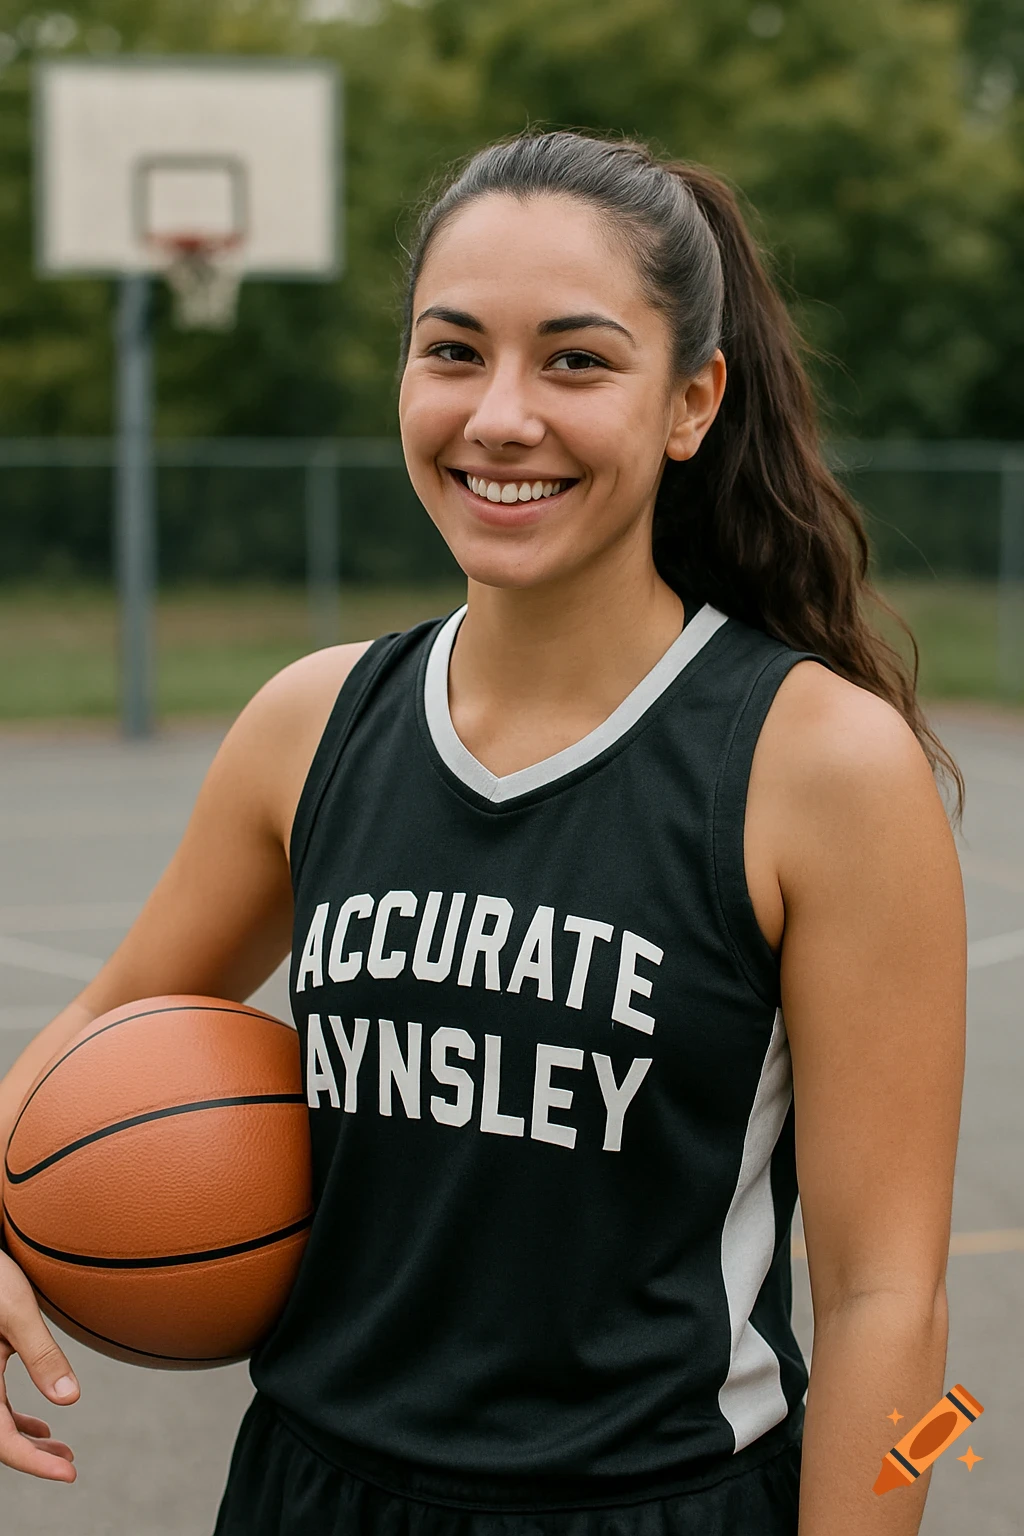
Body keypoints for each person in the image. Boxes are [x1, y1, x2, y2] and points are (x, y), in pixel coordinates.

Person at [0, 131, 966, 1536]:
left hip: (654, 1505)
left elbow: (895, 1298)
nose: (500, 416)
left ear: (692, 401)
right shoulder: (311, 723)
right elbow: (102, 1031)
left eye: (575, 361)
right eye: (453, 351)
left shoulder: (817, 766)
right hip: (312, 1494)